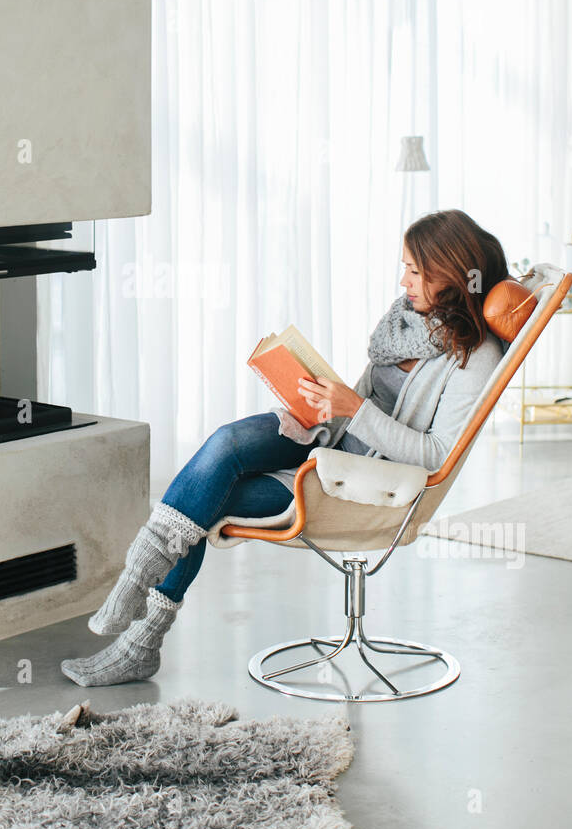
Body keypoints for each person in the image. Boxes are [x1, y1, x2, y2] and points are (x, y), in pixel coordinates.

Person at [61, 209, 507, 687]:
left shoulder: (475, 355)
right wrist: (317, 402)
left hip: (354, 483)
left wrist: (353, 409)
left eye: (416, 271)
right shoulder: (405, 323)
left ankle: (139, 644)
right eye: (405, 267)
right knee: (226, 443)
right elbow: (364, 400)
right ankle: (133, 583)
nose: (404, 282)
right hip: (327, 437)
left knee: (205, 501)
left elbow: (438, 455)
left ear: (453, 272)